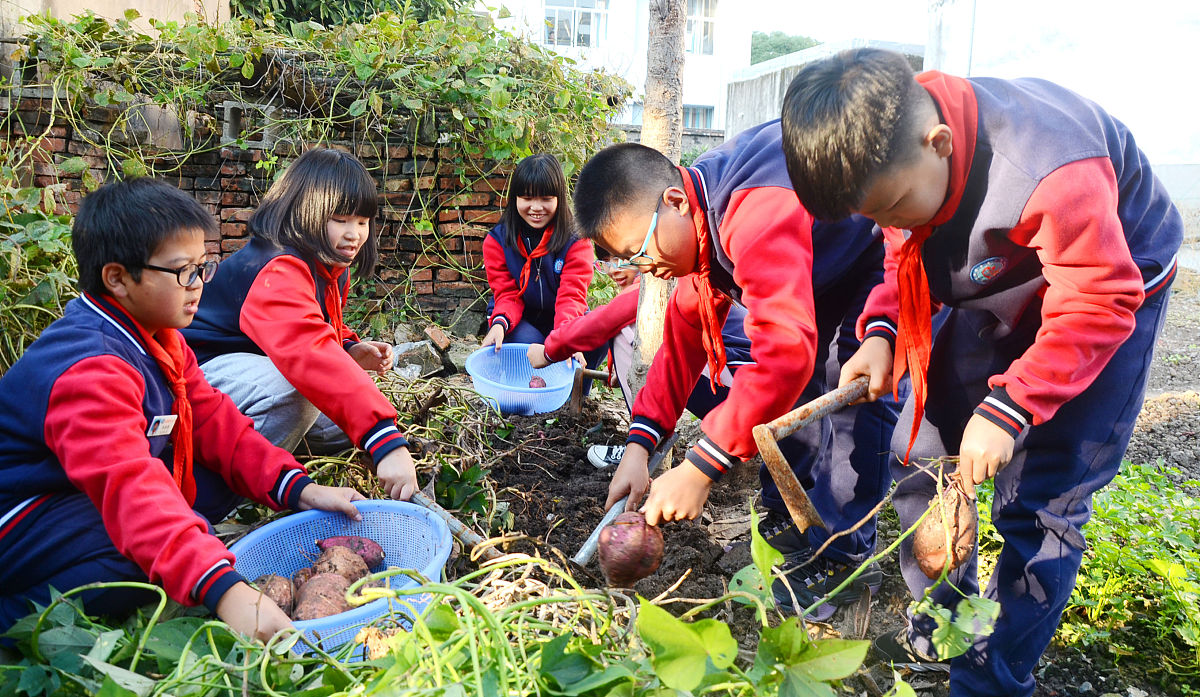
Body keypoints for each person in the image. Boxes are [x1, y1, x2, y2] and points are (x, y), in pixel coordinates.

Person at [779, 48, 1183, 695]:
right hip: (993, 278)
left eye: (894, 208)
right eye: (874, 216)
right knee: (927, 456)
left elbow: (1097, 300)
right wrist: (882, 328)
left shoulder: (1049, 166)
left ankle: (990, 678)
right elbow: (903, 249)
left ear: (938, 143)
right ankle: (944, 623)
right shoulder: (905, 169)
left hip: (1106, 289)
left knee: (1042, 502)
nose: (887, 226)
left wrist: (1013, 403)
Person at [0, 178, 367, 641]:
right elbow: (129, 485)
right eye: (183, 272)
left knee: (200, 496)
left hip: (72, 498)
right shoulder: (90, 369)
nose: (197, 286)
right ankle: (14, 618)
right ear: (117, 278)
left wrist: (302, 490)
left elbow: (215, 422)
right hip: (20, 518)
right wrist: (223, 588)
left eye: (201, 267)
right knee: (139, 558)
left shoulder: (159, 338)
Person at [572, 126, 901, 621]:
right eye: (626, 260)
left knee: (855, 394)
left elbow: (784, 350)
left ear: (675, 202)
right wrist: (638, 449)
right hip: (818, 264)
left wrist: (703, 466)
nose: (642, 268)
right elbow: (678, 354)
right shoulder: (702, 235)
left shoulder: (753, 212)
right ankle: (788, 514)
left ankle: (846, 554)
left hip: (872, 256)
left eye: (639, 251)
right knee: (796, 389)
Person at [182, 147, 417, 501]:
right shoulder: (277, 267)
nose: (354, 234)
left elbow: (313, 324)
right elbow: (307, 349)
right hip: (199, 374)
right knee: (296, 397)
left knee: (342, 428)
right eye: (341, 219)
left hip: (253, 366)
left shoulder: (328, 264)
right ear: (305, 211)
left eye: (362, 222)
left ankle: (284, 448)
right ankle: (224, 492)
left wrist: (351, 346)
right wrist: (386, 441)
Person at [525, 250, 753, 470]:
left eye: (620, 258)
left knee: (625, 330)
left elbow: (603, 321)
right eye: (606, 262)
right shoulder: (684, 275)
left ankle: (642, 447)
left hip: (746, 387)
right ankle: (645, 441)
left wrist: (548, 351)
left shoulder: (657, 283)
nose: (614, 269)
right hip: (736, 380)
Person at [480, 153, 599, 360]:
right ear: (515, 198)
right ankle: (527, 390)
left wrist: (565, 342)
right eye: (527, 198)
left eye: (546, 198)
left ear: (559, 199)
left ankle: (575, 390)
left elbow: (571, 297)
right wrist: (499, 324)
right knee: (529, 343)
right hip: (519, 318)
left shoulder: (576, 241)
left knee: (597, 332)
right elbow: (507, 295)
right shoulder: (498, 241)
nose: (536, 208)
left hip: (563, 317)